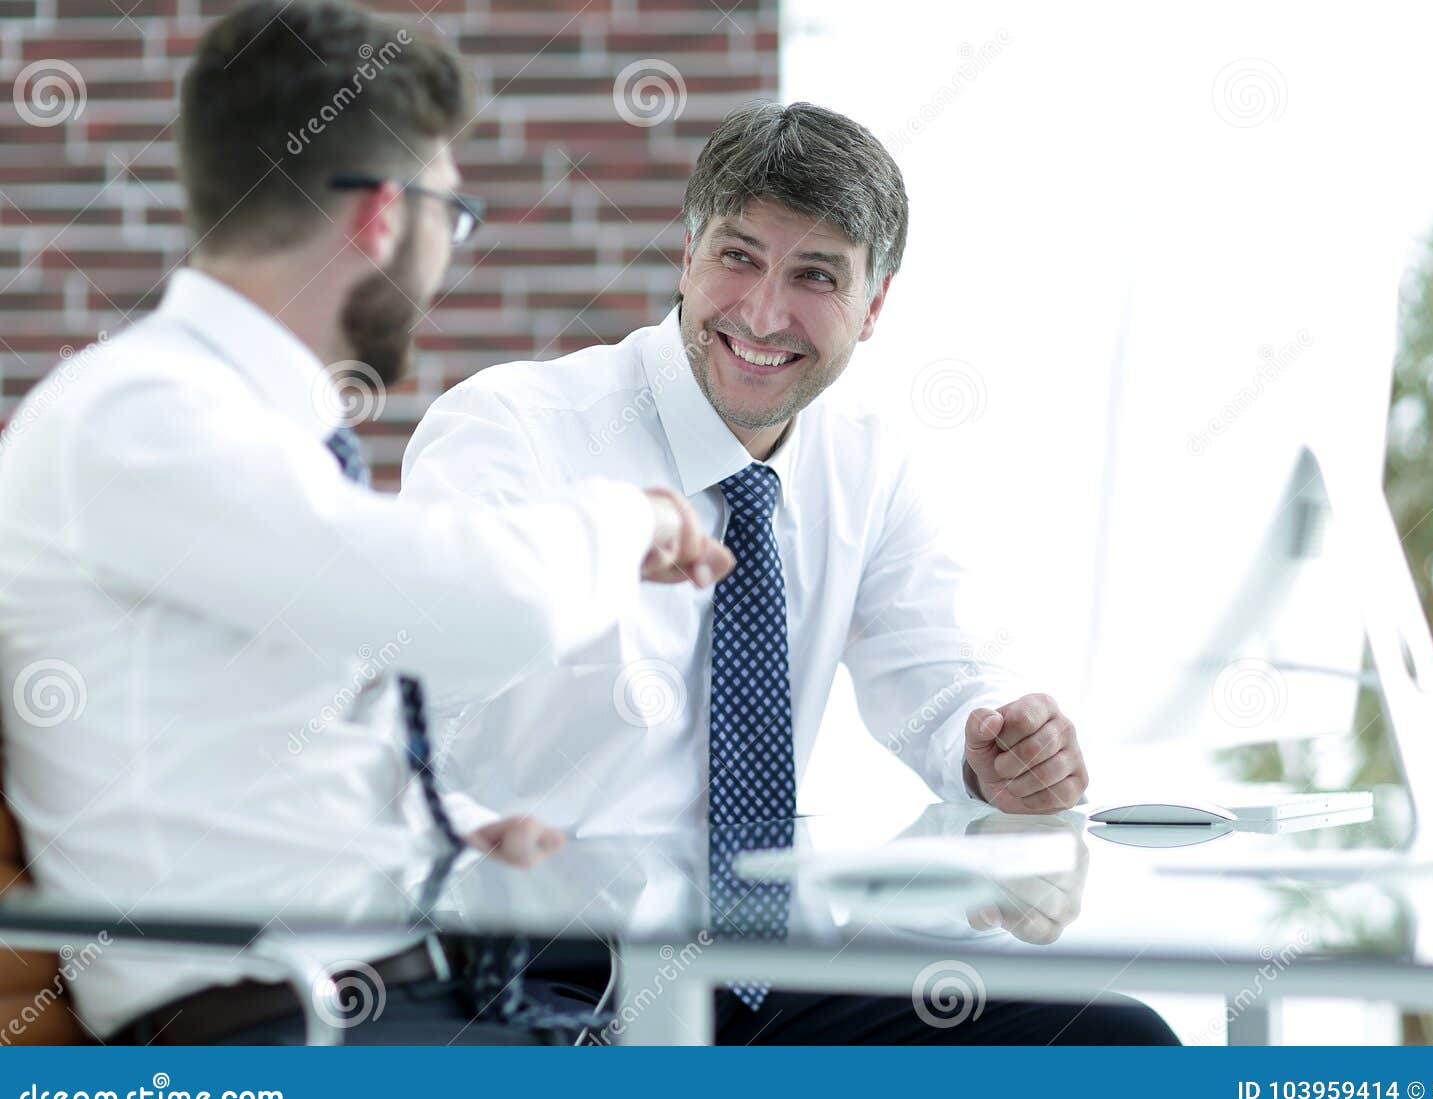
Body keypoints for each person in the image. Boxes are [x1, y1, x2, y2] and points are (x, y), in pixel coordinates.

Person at [0, 0, 729, 1046]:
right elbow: (487, 602)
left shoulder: (226, 425)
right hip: (276, 1041)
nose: (449, 257)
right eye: (454, 216)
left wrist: (454, 831)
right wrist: (629, 520)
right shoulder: (138, 416)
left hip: (390, 1002)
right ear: (384, 215)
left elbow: (252, 746)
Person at [401, 101, 1175, 1044]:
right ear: (686, 256)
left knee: (1114, 1044)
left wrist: (993, 749)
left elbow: (942, 677)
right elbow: (404, 712)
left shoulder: (868, 467)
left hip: (769, 974)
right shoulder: (512, 430)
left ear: (875, 305)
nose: (763, 313)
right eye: (738, 257)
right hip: (542, 975)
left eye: (815, 275)